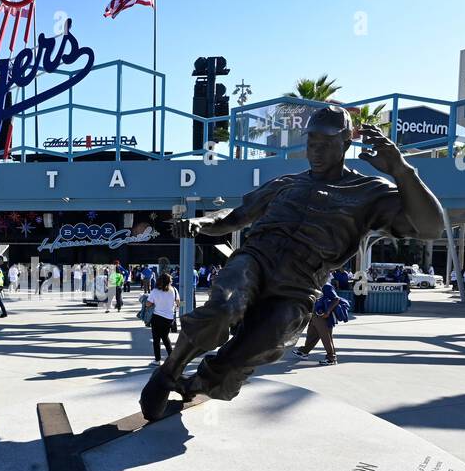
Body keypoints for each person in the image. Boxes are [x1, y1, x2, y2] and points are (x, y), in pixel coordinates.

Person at [140, 107, 445, 420]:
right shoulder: (285, 182)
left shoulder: (370, 193)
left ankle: (195, 386)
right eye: (312, 143)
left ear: (345, 144)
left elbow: (430, 228)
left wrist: (402, 170)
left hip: (299, 285)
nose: (316, 151)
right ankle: (169, 371)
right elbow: (235, 216)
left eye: (325, 143)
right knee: (224, 307)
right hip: (256, 258)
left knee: (260, 345)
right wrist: (201, 222)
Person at [293, 282, 352, 365]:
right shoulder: (312, 285)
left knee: (326, 337)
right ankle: (304, 351)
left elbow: (336, 299)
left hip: (323, 316)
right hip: (314, 315)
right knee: (311, 334)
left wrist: (327, 312)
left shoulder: (326, 286)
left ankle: (331, 358)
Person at [146, 272, 181, 365]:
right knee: (165, 338)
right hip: (169, 318)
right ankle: (172, 359)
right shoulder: (174, 290)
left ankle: (157, 360)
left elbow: (148, 304)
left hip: (157, 317)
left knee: (156, 340)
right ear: (170, 281)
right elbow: (178, 302)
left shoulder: (155, 291)